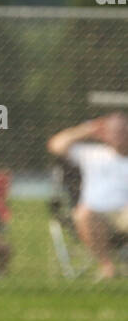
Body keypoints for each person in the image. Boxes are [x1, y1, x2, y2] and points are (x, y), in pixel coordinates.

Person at [47, 113, 128, 280]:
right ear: (105, 134)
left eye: (124, 130)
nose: (120, 135)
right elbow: (56, 145)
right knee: (83, 214)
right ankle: (107, 267)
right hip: (97, 215)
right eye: (115, 131)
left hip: (125, 213)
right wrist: (89, 129)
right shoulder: (91, 153)